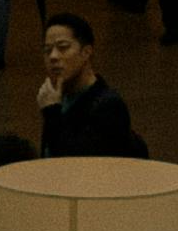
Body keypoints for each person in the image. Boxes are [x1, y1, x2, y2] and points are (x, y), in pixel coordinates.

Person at [35, 13, 140, 163]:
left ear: (86, 52)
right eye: (47, 50)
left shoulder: (109, 106)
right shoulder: (57, 99)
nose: (53, 56)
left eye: (63, 47)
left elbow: (74, 164)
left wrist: (51, 113)